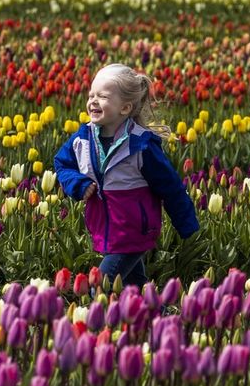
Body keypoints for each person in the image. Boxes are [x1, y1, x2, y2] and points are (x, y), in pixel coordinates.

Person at [54, 64, 199, 289]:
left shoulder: (141, 145)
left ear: (125, 108)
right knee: (135, 286)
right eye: (91, 95)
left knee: (100, 285)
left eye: (102, 96)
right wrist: (77, 183)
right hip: (106, 227)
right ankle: (159, 317)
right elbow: (62, 164)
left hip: (133, 229)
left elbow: (170, 186)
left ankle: (98, 321)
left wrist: (185, 223)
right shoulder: (82, 138)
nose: (93, 101)